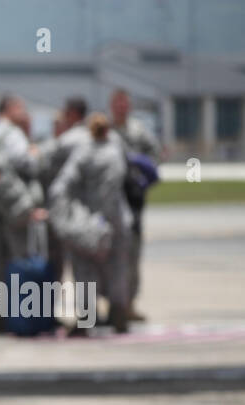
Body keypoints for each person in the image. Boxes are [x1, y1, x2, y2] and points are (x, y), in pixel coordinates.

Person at [48, 112, 133, 333]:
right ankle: (119, 315)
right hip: (117, 218)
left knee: (85, 270)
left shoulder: (83, 153)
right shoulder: (117, 150)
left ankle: (87, 320)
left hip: (90, 220)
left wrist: (64, 215)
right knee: (117, 269)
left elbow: (60, 186)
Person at [0, 95, 48, 332]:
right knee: (18, 257)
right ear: (10, 109)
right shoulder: (13, 135)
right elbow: (27, 163)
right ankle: (22, 316)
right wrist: (35, 154)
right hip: (13, 206)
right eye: (20, 108)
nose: (23, 113)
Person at [109, 88, 161, 322]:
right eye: (118, 104)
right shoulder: (104, 130)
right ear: (112, 106)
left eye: (125, 104)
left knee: (132, 253)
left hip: (132, 199)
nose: (121, 108)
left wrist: (143, 173)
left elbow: (156, 155)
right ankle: (111, 304)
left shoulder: (138, 131)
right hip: (108, 198)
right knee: (107, 253)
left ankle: (128, 303)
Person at [38, 97, 92, 282]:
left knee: (82, 263)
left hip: (71, 209)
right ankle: (53, 306)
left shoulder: (67, 142)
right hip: (67, 210)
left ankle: (86, 308)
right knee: (57, 261)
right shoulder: (84, 139)